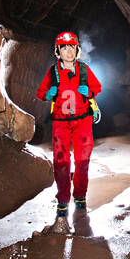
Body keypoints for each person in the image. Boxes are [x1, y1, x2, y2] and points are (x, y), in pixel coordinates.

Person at [35, 31, 102, 218]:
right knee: (61, 161)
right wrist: (48, 94)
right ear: (58, 52)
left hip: (82, 120)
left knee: (82, 160)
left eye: (71, 47)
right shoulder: (53, 72)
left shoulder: (84, 70)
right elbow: (40, 93)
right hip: (60, 122)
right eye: (64, 48)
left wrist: (88, 91)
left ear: (77, 50)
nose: (68, 51)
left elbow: (97, 88)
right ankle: (63, 199)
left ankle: (80, 195)